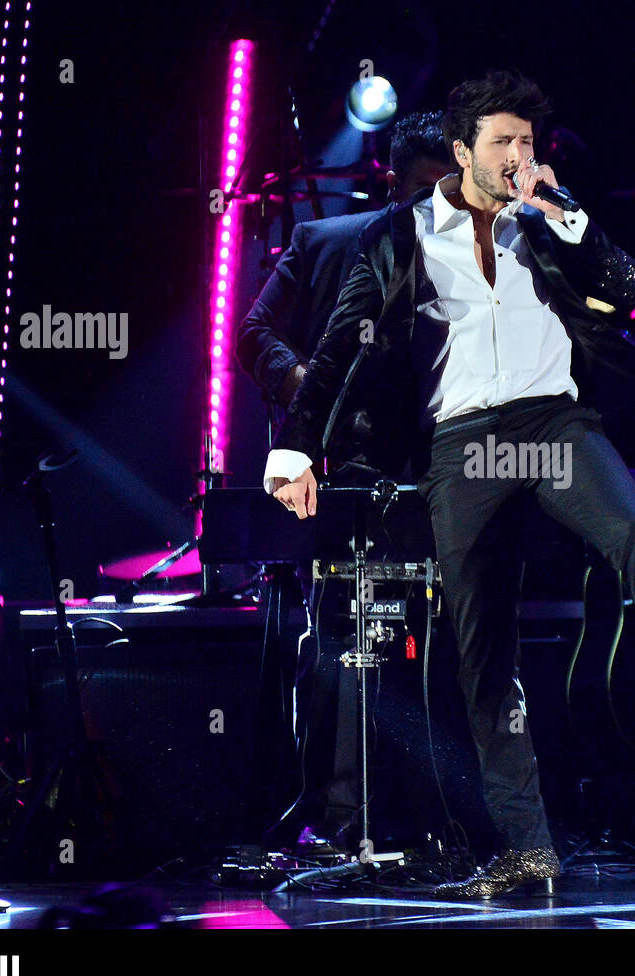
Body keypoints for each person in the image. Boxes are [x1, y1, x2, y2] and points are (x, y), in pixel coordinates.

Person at [265, 70, 635, 898]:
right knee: (482, 646)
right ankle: (529, 851)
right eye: (502, 142)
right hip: (460, 443)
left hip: (555, 425)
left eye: (527, 142)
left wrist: (566, 218)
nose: (517, 156)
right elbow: (341, 351)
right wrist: (294, 449)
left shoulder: (551, 226)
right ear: (463, 152)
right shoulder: (401, 234)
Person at [235, 111, 454, 857]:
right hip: (337, 483)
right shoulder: (326, 241)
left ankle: (432, 820)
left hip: (430, 480)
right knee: (341, 644)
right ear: (394, 184)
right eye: (425, 192)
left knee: (431, 651)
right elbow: (254, 334)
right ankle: (336, 821)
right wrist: (310, 394)